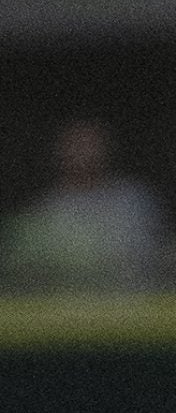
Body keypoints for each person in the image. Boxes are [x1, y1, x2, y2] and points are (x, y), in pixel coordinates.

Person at [0, 118, 163, 289]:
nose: (84, 153)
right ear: (61, 152)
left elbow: (152, 256)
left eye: (90, 144)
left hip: (127, 296)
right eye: (76, 145)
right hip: (66, 299)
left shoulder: (132, 199)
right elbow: (32, 269)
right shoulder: (47, 208)